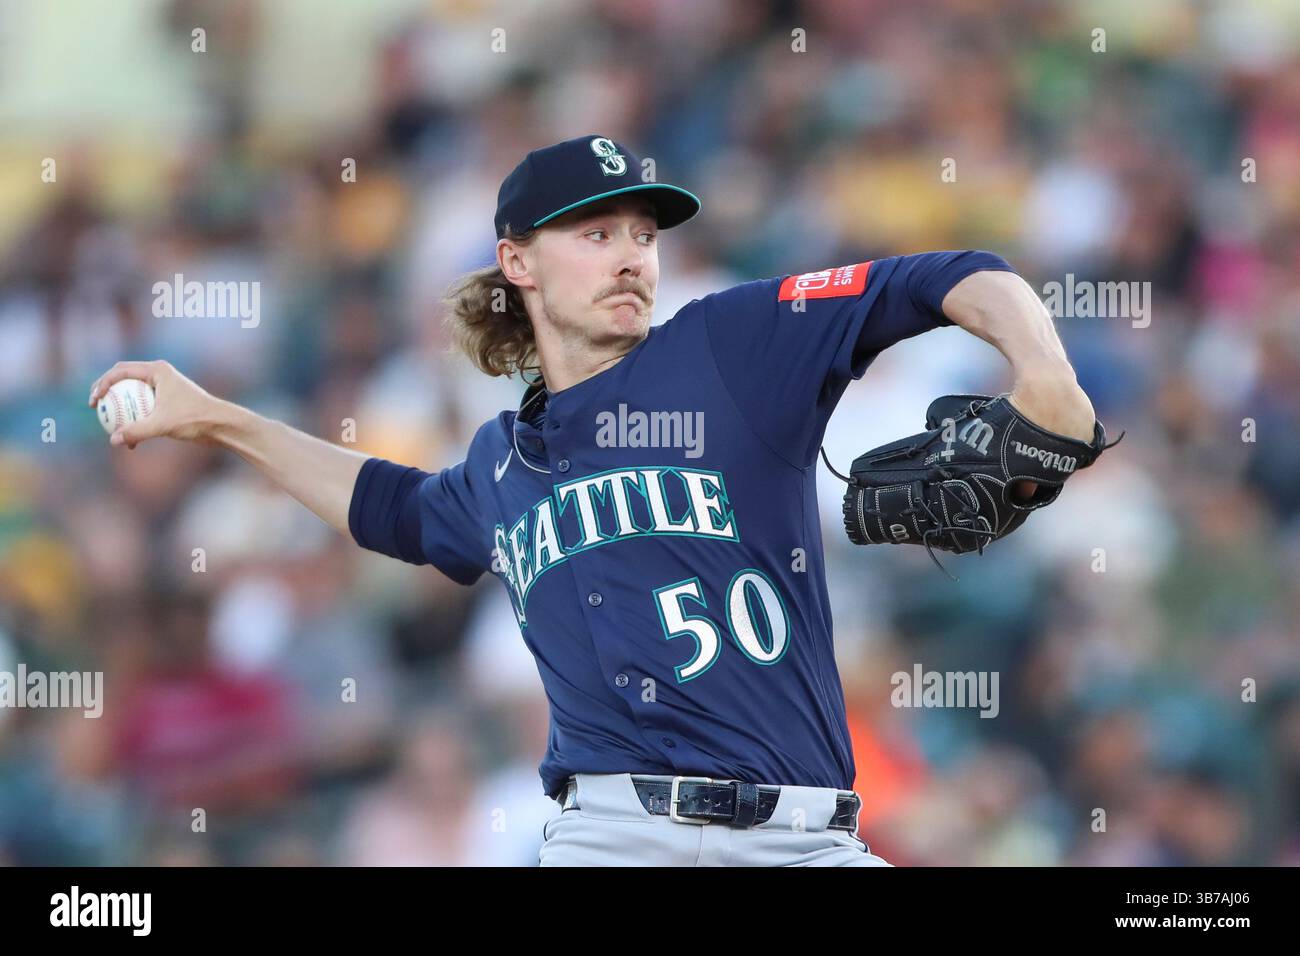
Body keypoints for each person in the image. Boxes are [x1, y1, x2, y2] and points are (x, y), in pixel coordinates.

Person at [90, 134, 1097, 866]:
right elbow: (389, 507)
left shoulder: (730, 344)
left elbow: (951, 274)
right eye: (596, 230)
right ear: (517, 262)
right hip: (608, 836)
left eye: (643, 233)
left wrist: (1044, 375)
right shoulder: (500, 462)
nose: (630, 254)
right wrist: (218, 416)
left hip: (801, 837)